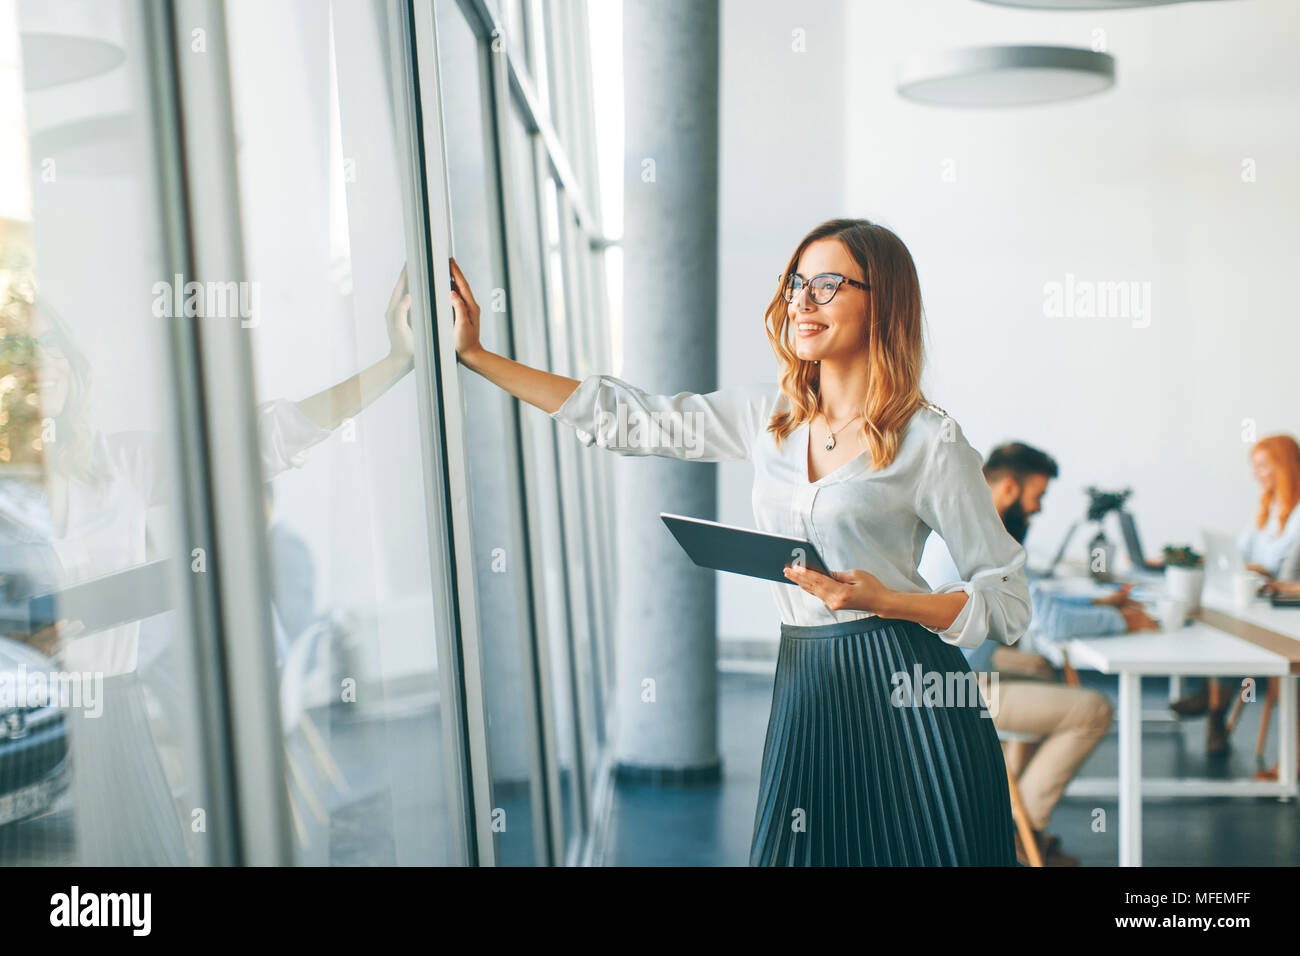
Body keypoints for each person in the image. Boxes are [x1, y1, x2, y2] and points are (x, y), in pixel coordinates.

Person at [451, 218, 1030, 866]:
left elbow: (1006, 602)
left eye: (829, 283)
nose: (803, 302)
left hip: (910, 692)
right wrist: (477, 356)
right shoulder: (772, 416)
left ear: (884, 300)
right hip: (808, 685)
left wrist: (893, 601)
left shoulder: (931, 442)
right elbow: (633, 421)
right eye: (796, 283)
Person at [0, 270, 413, 864]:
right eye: (25, 350)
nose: (50, 362)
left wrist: (393, 364)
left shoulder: (118, 467)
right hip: (24, 729)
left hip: (112, 721)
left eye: (55, 345)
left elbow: (263, 439)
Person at [920, 442, 1158, 866]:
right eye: (1037, 497)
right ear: (1009, 487)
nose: (1039, 509)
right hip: (954, 688)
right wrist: (1125, 621)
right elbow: (1050, 623)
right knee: (1094, 710)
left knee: (1041, 668)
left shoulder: (964, 526)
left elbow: (1036, 601)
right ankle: (1018, 829)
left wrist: (1098, 606)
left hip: (948, 673)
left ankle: (1010, 814)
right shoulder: (986, 536)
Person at [1170, 434, 1300, 753]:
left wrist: (1282, 584)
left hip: (1285, 608)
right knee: (1212, 614)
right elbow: (1238, 553)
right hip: (1260, 597)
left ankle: (1213, 708)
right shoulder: (1268, 510)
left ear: (1284, 467)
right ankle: (1208, 700)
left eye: (1263, 466)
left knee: (1233, 628)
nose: (1256, 474)